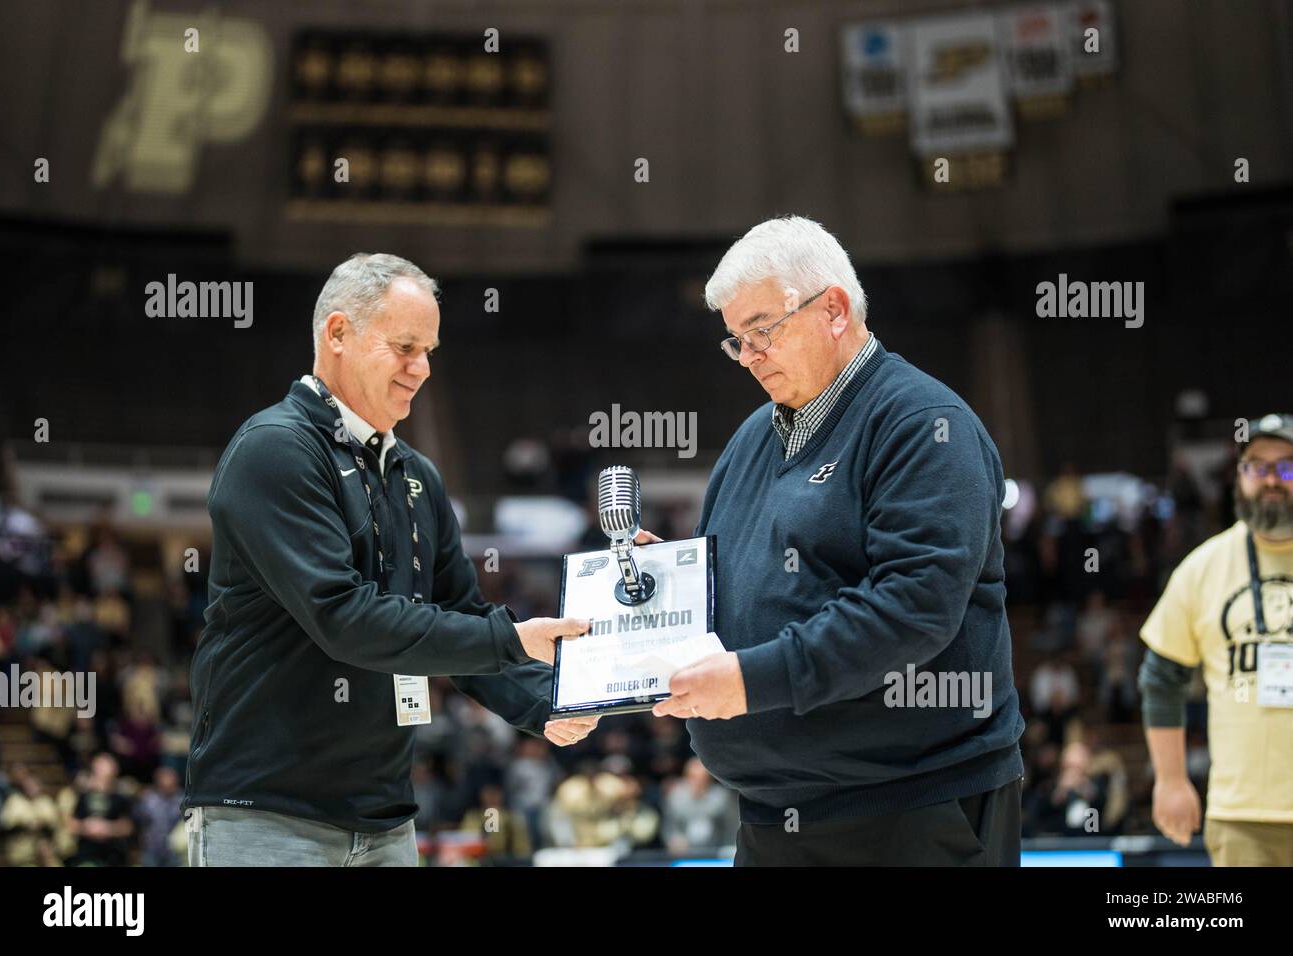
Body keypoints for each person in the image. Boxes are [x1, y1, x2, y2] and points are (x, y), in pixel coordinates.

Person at [183, 253, 598, 867]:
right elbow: (344, 618)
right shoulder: (275, 451)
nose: (422, 369)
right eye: (405, 347)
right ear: (338, 333)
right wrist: (511, 638)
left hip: (385, 823)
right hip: (266, 816)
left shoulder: (417, 477)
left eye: (429, 350)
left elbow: (458, 617)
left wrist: (556, 698)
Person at [646, 216, 1024, 865]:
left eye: (762, 330)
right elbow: (737, 599)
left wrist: (749, 681)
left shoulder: (924, 426)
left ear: (835, 310)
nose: (750, 355)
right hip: (772, 817)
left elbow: (912, 608)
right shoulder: (748, 442)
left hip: (910, 812)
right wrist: (670, 587)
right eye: (737, 341)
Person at [1138, 413, 1293, 865]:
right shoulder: (1203, 568)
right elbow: (1161, 679)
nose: (1270, 480)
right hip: (1242, 814)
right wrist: (1170, 781)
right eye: (1255, 467)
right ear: (1238, 478)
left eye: (1285, 467)